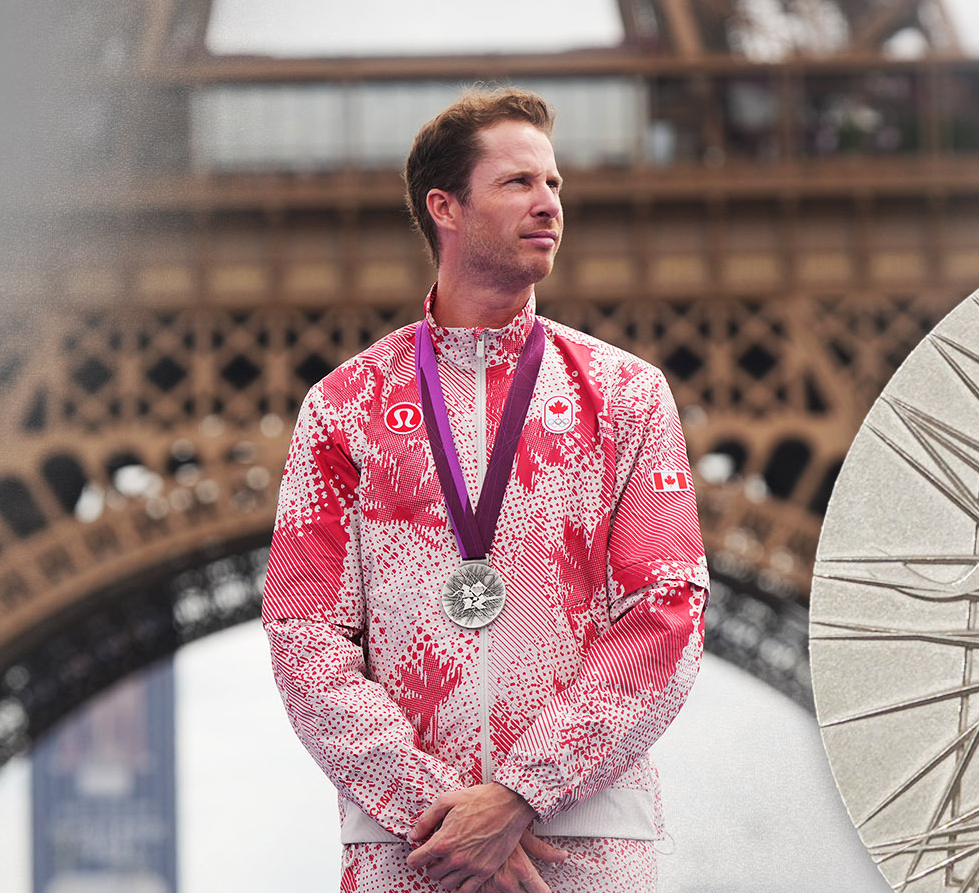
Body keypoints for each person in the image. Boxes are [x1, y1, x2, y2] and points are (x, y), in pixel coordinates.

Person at [263, 88, 708, 893]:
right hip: (415, 846)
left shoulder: (628, 395)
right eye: (518, 182)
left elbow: (669, 609)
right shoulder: (343, 408)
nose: (549, 203)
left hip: (577, 845)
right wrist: (439, 812)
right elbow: (304, 634)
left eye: (555, 183)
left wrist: (520, 795)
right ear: (446, 208)